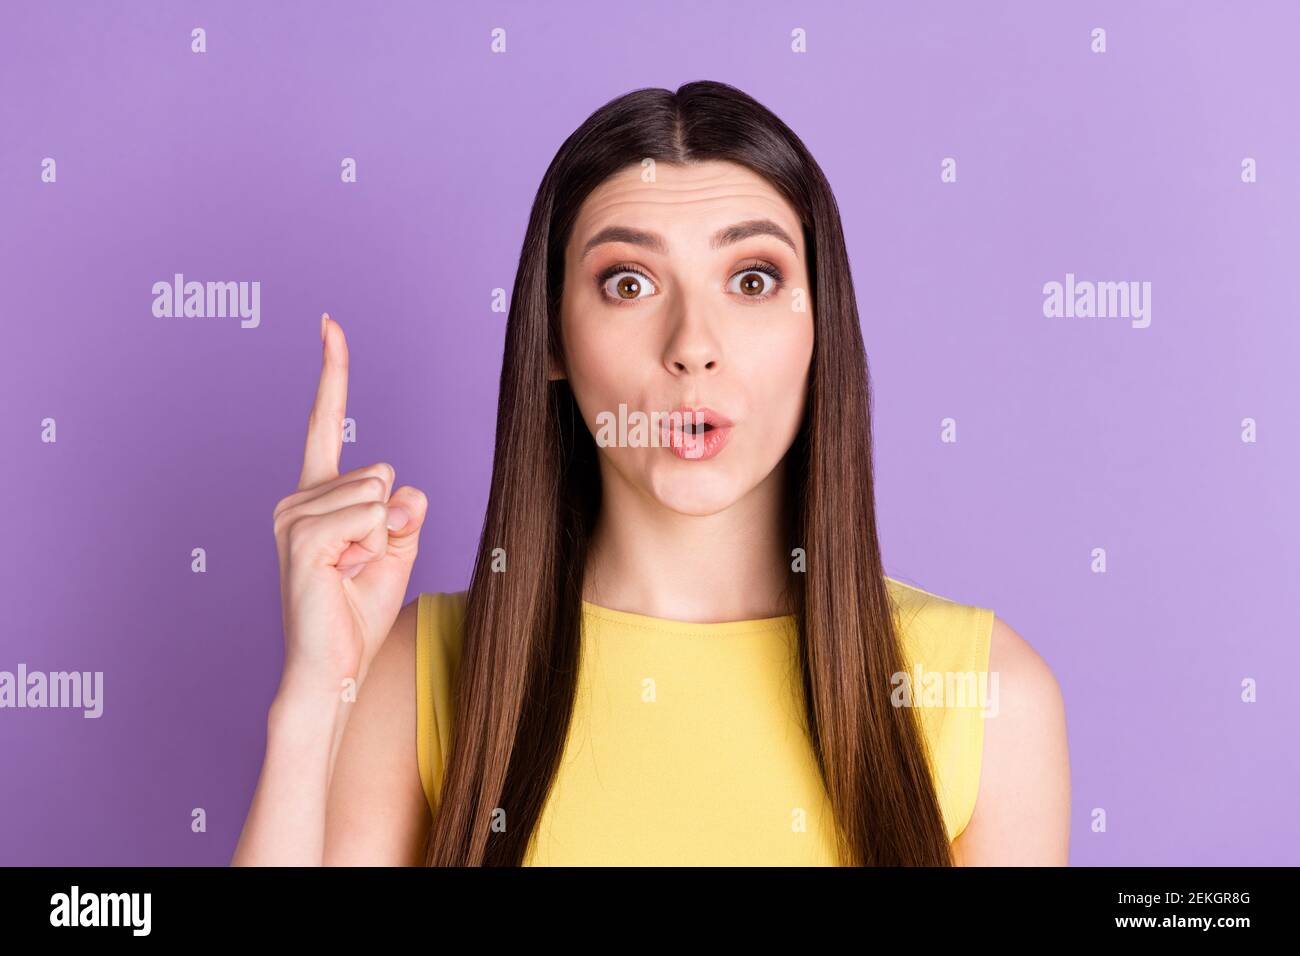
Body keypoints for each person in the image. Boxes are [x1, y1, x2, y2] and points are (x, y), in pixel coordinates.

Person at [233, 80, 1070, 867]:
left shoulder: (989, 695)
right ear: (553, 339)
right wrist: (316, 695)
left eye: (752, 279)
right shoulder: (421, 670)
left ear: (820, 331)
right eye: (628, 283)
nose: (691, 345)